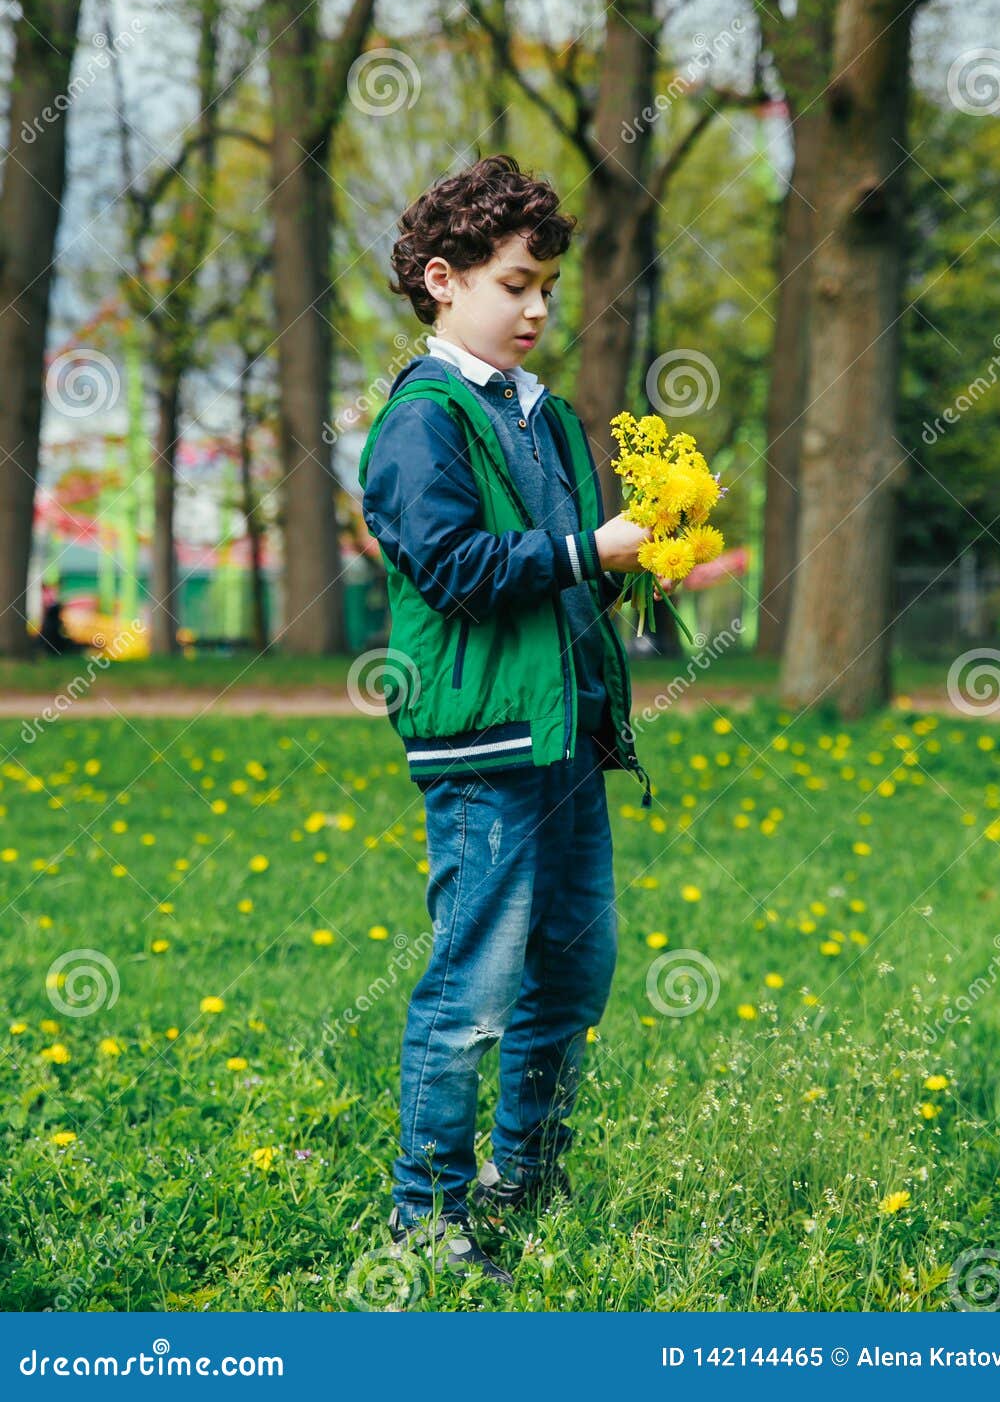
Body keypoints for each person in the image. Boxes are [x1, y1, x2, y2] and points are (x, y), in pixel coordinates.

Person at [358, 153, 672, 1288]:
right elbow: (453, 568)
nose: (537, 307)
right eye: (513, 284)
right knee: (471, 990)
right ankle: (424, 1216)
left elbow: (563, 582)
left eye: (546, 287)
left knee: (570, 973)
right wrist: (592, 548)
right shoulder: (421, 420)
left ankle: (522, 1181)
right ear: (442, 280)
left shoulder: (546, 416)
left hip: (565, 740)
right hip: (484, 747)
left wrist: (641, 566)